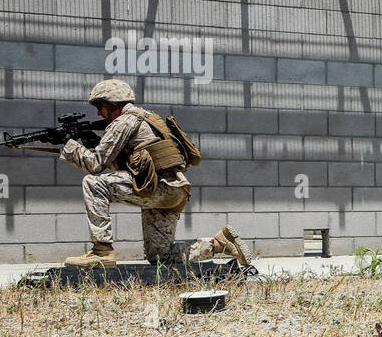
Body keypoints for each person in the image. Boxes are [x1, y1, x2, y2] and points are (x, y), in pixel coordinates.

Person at [60, 79, 254, 269]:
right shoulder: (147, 118)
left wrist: (70, 146)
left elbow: (95, 165)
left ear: (113, 104)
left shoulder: (124, 121)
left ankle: (101, 252)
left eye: (100, 106)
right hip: (175, 191)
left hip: (155, 186)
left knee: (94, 183)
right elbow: (125, 164)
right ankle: (220, 244)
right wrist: (90, 144)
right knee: (161, 257)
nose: (98, 112)